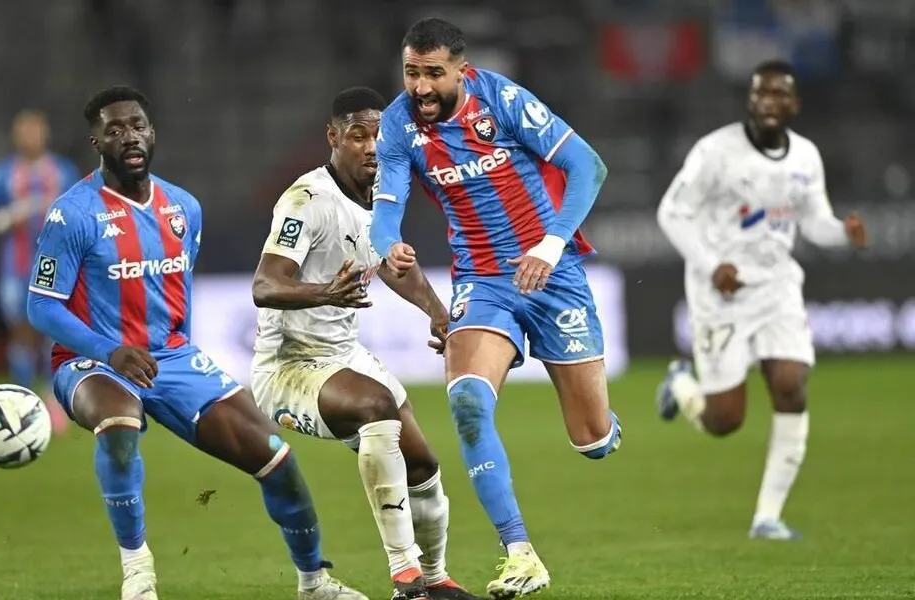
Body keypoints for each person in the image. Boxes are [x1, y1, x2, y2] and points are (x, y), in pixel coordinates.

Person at [26, 86, 366, 600]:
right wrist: (108, 350)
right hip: (93, 361)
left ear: (153, 132)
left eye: (137, 125)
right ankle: (138, 574)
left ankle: (314, 580)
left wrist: (181, 356)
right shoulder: (71, 215)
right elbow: (42, 306)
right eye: (114, 130)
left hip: (173, 359)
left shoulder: (184, 208)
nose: (129, 137)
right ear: (95, 141)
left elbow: (173, 296)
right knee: (118, 426)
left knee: (277, 459)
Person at [369, 18, 620, 600]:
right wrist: (389, 245)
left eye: (434, 73)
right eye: (412, 73)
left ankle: (618, 422)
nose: (422, 87)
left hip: (551, 274)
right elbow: (386, 209)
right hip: (481, 281)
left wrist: (552, 243)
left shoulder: (503, 100)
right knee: (466, 402)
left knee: (592, 439)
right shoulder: (398, 124)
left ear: (461, 69)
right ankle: (520, 553)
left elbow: (588, 166)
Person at [251, 86, 482, 600]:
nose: (372, 146)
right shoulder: (306, 201)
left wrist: (439, 315)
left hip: (343, 355)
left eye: (380, 134)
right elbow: (265, 285)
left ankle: (436, 577)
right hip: (288, 366)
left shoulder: (381, 197)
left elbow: (393, 264)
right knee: (378, 409)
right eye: (359, 135)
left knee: (422, 461)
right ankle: (407, 577)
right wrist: (322, 292)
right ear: (333, 138)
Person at [655, 60, 868, 540]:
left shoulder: (806, 157)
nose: (770, 102)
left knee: (791, 385)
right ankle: (684, 388)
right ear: (750, 100)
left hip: (777, 287)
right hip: (721, 294)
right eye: (761, 94)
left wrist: (842, 232)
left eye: (780, 95)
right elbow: (672, 212)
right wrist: (713, 266)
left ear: (794, 104)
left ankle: (767, 517)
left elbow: (814, 221)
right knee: (725, 420)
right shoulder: (716, 152)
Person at [0, 109, 79, 432]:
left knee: (52, 331)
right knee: (20, 330)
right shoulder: (2, 175)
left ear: (45, 134)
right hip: (15, 265)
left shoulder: (63, 171)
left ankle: (54, 401)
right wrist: (11, 216)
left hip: (55, 265)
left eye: (35, 131)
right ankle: (20, 399)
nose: (30, 137)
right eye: (24, 131)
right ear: (16, 136)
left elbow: (82, 214)